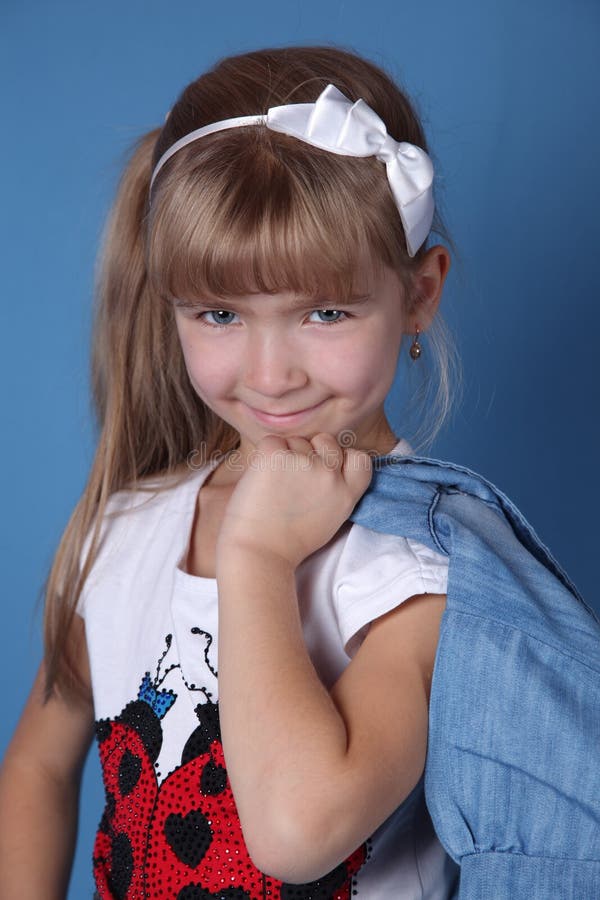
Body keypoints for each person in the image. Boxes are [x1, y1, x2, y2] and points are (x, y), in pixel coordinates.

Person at [0, 44, 598, 900]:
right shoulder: (124, 530)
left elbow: (296, 833)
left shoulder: (424, 578)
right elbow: (35, 768)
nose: (272, 373)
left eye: (325, 311)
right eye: (219, 314)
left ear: (420, 291)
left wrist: (260, 558)